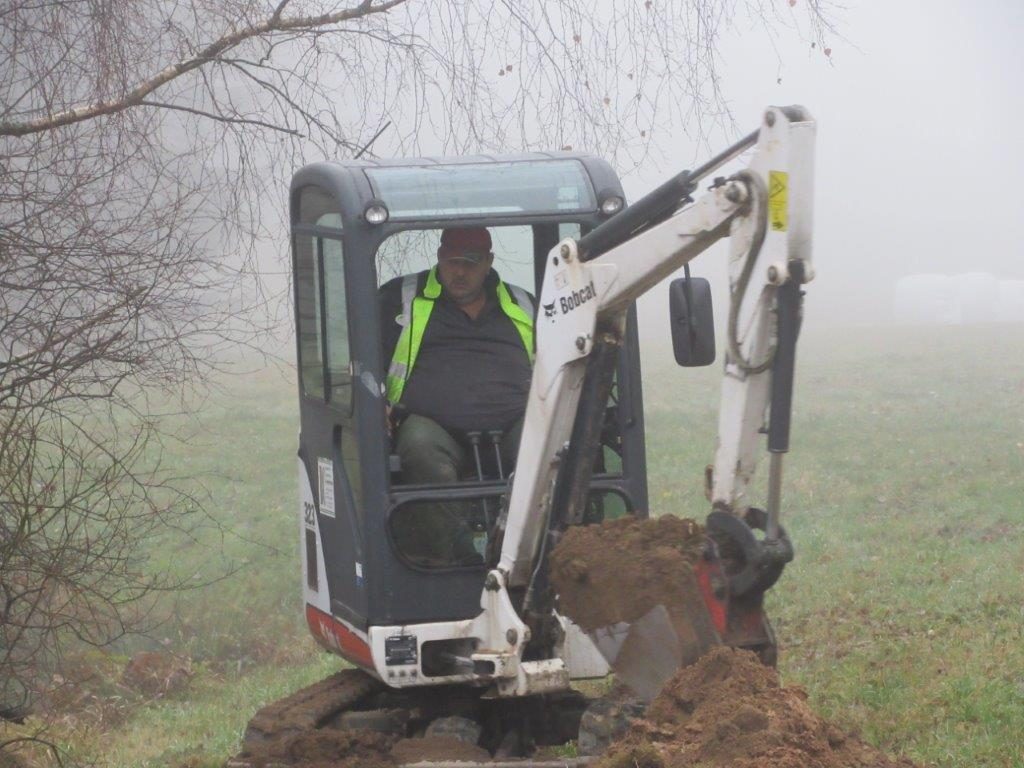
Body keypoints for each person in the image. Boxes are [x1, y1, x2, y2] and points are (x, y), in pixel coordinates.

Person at [379, 226, 536, 564]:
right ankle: (456, 558)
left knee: (545, 443)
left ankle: (530, 555)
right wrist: (371, 401)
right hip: (434, 426)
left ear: (489, 262)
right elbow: (357, 357)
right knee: (419, 446)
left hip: (511, 427)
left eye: (471, 262)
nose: (460, 272)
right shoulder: (402, 300)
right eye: (452, 262)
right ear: (439, 257)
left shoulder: (523, 304)